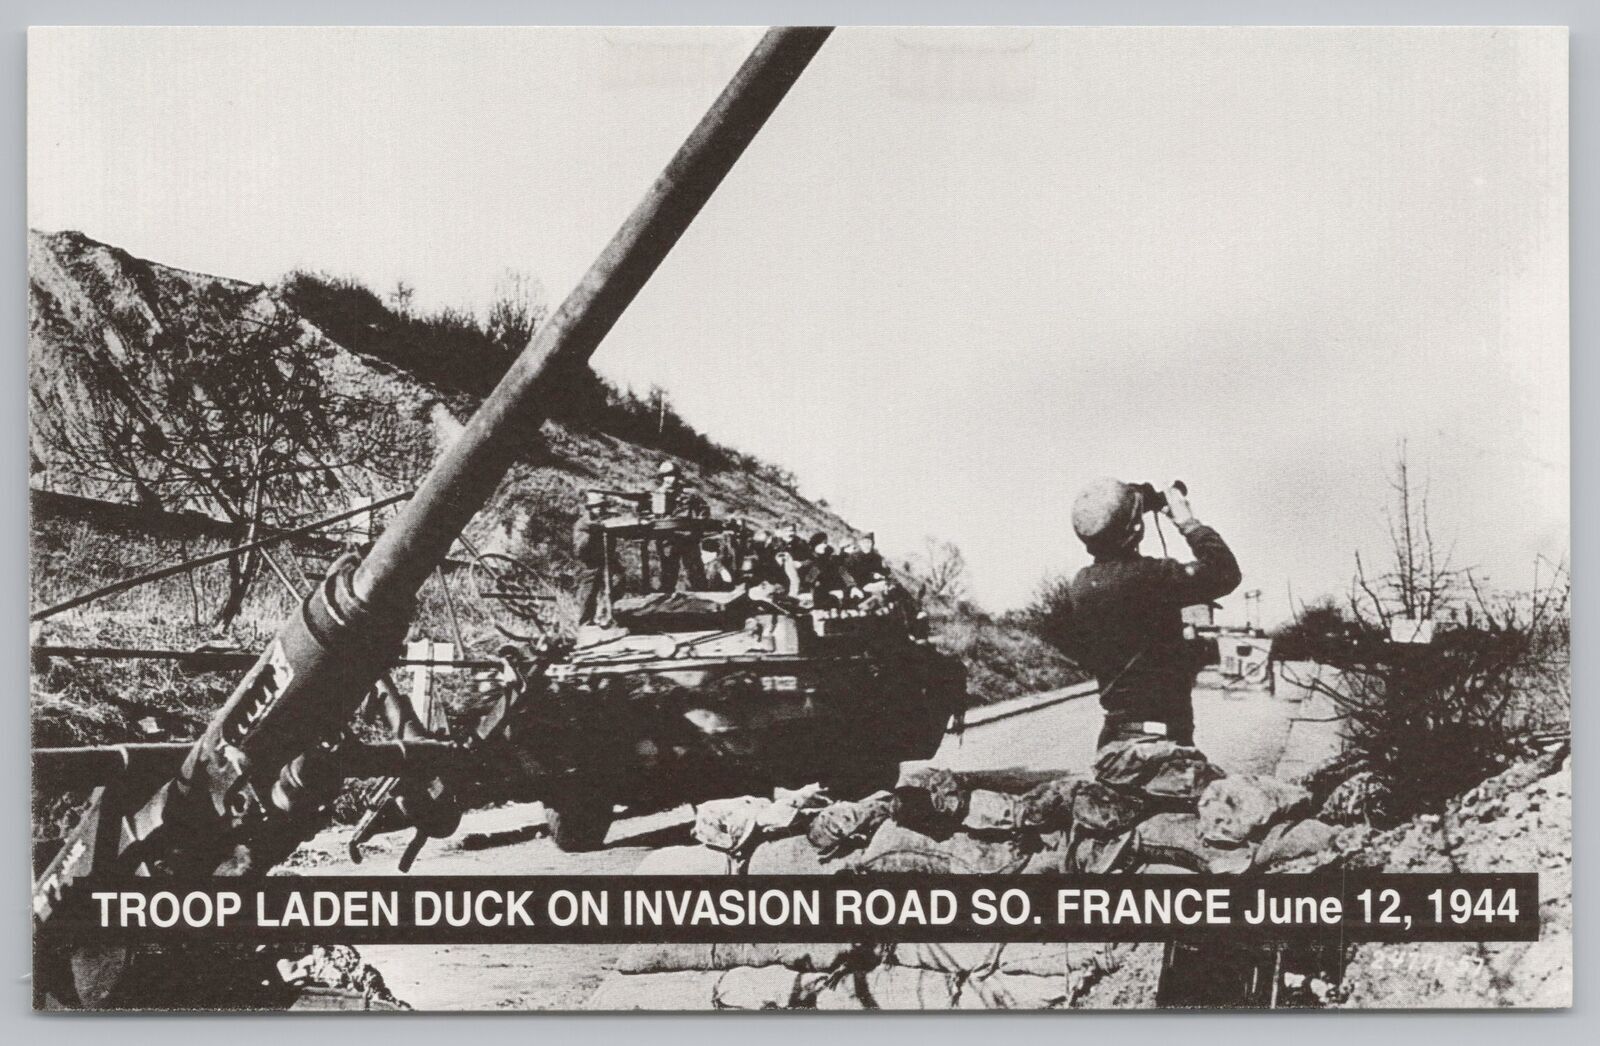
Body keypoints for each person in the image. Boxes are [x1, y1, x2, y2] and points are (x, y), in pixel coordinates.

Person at [1061, 478, 1241, 750]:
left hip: (1114, 741)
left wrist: (1130, 508)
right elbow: (1225, 572)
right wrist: (1187, 522)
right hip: (1160, 745)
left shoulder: (1082, 584)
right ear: (1136, 530)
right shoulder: (1153, 577)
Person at [572, 492, 610, 625]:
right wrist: (593, 532)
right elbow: (580, 549)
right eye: (596, 506)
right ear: (590, 508)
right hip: (589, 563)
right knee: (588, 593)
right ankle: (585, 623)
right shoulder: (583, 524)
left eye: (602, 506)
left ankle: (606, 614)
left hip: (605, 560)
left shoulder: (603, 519)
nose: (599, 509)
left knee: (618, 582)